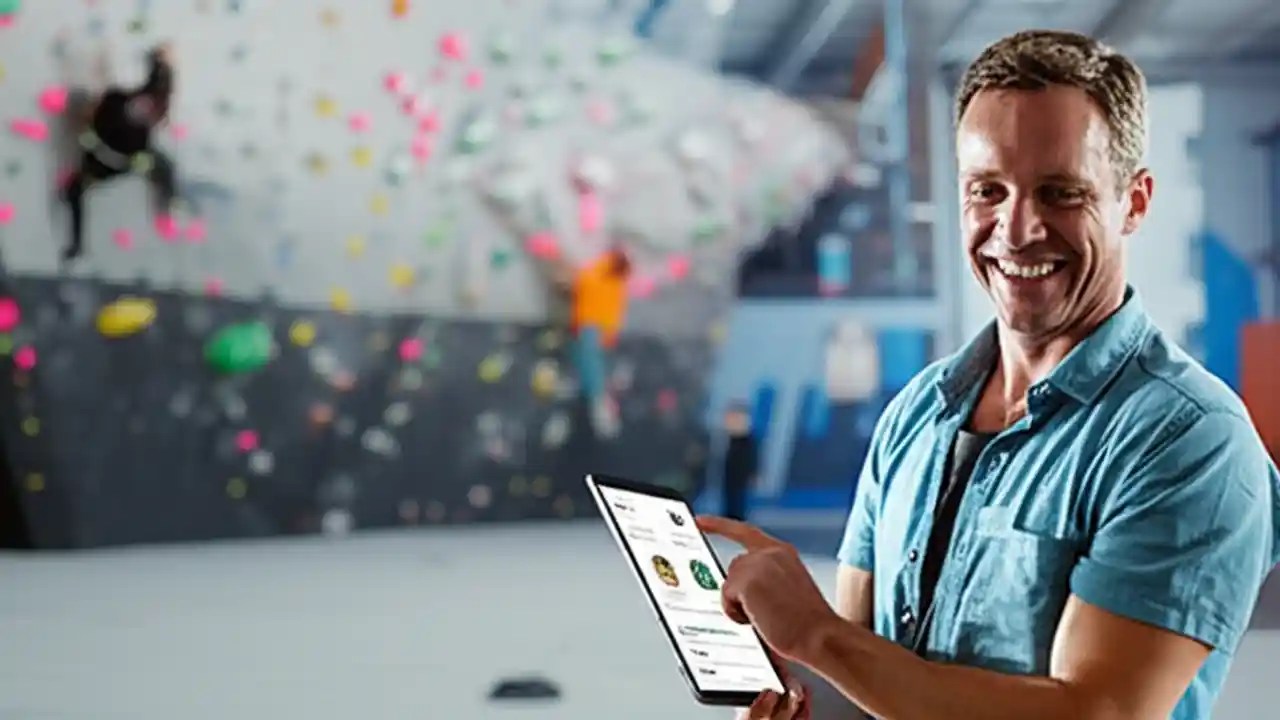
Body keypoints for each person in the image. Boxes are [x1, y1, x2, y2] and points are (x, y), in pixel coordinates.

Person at [694, 30, 1280, 720]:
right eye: (987, 191)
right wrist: (803, 691)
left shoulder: (1191, 441)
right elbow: (859, 683)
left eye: (1060, 193)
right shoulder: (917, 415)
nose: (1017, 228)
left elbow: (1098, 712)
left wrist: (818, 636)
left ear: (1136, 201)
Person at [61, 43, 179, 262]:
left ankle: (166, 209)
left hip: (119, 158)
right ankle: (77, 244)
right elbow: (154, 89)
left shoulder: (120, 101)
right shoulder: (117, 102)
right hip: (107, 160)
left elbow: (154, 88)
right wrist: (160, 65)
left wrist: (159, 64)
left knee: (165, 166)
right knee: (73, 190)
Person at [569, 245, 632, 436]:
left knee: (589, 361)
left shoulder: (598, 273)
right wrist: (611, 331)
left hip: (590, 324)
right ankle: (596, 401)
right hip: (593, 325)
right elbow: (613, 307)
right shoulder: (605, 276)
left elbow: (586, 294)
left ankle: (592, 397)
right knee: (591, 363)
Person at [720, 401, 759, 522]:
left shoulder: (747, 441)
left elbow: (751, 458)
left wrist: (752, 473)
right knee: (730, 502)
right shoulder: (730, 440)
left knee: (738, 503)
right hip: (730, 476)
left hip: (740, 477)